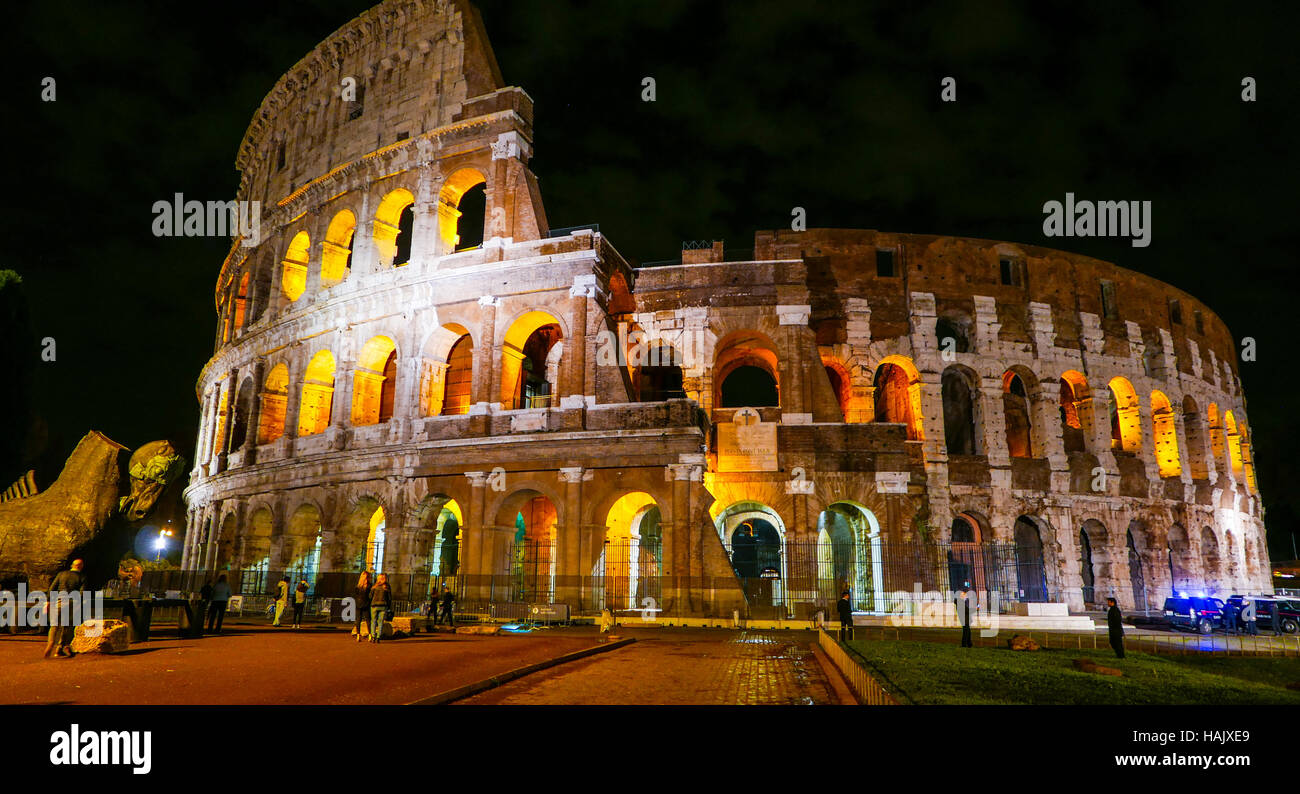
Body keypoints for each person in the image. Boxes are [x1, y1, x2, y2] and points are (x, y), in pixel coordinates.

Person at [44, 560, 85, 659]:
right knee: (67, 626)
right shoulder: (82, 577)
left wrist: (48, 601)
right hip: (72, 602)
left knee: (54, 625)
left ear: (72, 565)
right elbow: (82, 592)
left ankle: (51, 643)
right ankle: (60, 647)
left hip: (59, 600)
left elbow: (52, 588)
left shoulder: (61, 574)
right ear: (81, 566)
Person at [368, 573, 392, 644]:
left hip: (374, 606)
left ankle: (373, 636)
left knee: (373, 621)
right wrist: (389, 606)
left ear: (378, 578)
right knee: (381, 622)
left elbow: (370, 596)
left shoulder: (374, 586)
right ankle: (378, 637)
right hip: (383, 606)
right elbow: (389, 598)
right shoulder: (387, 587)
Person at [352, 571, 372, 641]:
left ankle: (358, 635)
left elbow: (355, 595)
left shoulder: (358, 586)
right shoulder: (369, 586)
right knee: (368, 620)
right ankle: (370, 635)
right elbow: (370, 596)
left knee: (358, 620)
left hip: (358, 604)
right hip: (366, 604)